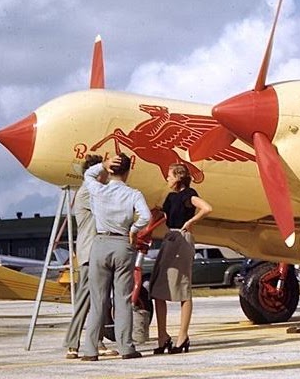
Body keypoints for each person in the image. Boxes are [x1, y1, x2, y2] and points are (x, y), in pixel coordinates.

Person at [80, 154, 150, 361]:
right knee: (123, 299)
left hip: (100, 243)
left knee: (98, 300)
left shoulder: (98, 190)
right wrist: (134, 229)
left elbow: (87, 175)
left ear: (110, 171)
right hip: (122, 243)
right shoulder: (133, 194)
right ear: (128, 172)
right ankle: (126, 347)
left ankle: (91, 350)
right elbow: (146, 217)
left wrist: (103, 164)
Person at [148, 163, 212, 355]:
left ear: (178, 177)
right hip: (169, 238)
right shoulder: (170, 197)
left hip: (181, 240)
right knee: (158, 288)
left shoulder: (189, 194)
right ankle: (162, 336)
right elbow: (164, 215)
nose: (166, 178)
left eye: (169, 175)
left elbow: (207, 208)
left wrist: (190, 222)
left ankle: (182, 336)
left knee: (183, 287)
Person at [62, 154, 117, 359]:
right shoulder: (87, 192)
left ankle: (96, 340)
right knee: (86, 299)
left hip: (97, 251)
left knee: (99, 300)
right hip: (89, 252)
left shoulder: (91, 191)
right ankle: (72, 342)